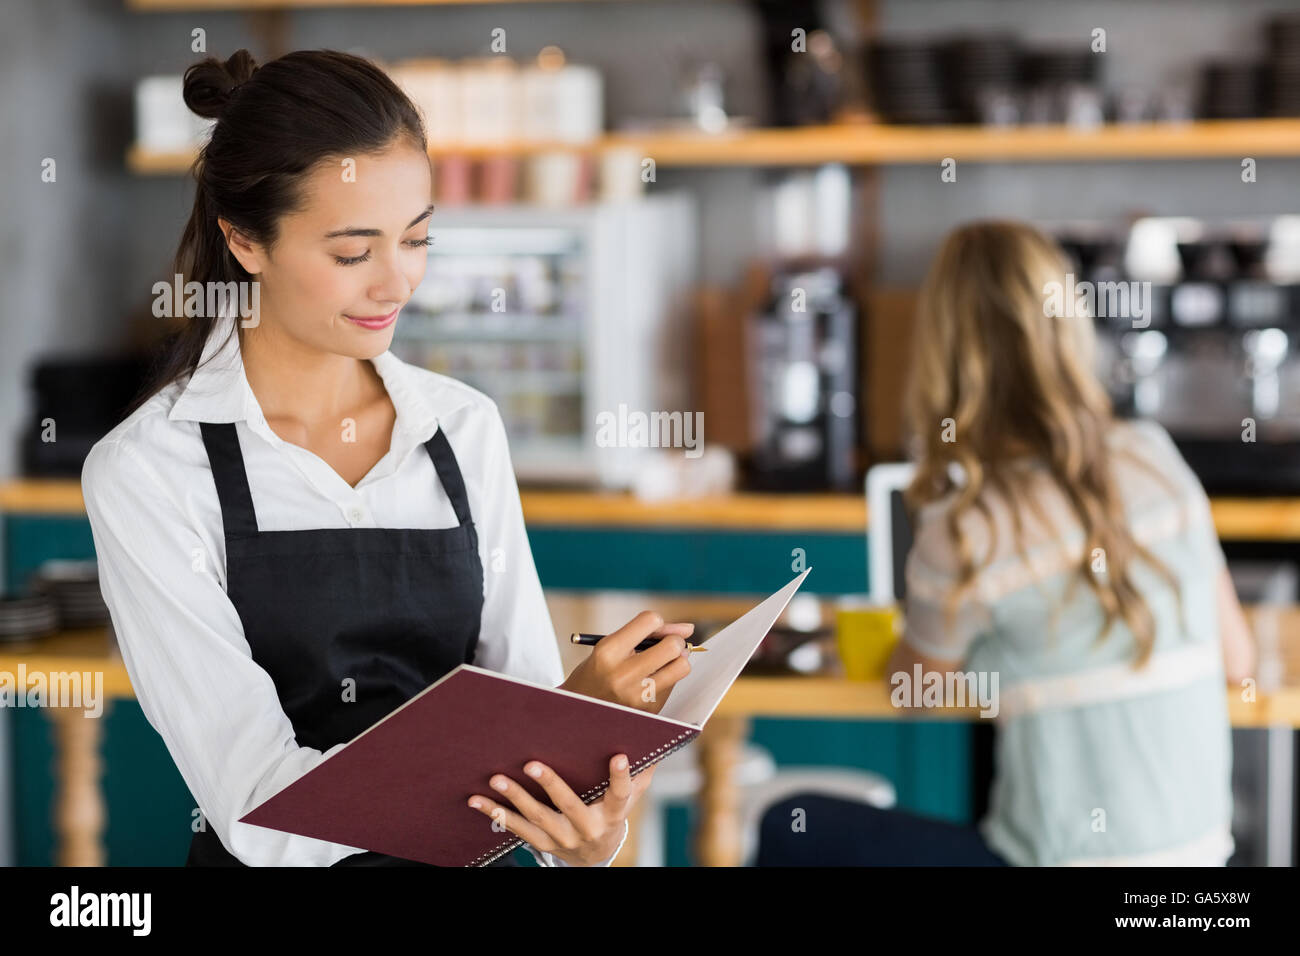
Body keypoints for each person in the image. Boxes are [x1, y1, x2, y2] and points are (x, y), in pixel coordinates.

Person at [82, 49, 694, 867]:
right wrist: (540, 740)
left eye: (417, 239)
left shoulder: (464, 428)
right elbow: (262, 809)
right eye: (351, 253)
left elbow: (530, 719)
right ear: (243, 241)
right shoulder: (150, 471)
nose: (397, 283)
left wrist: (587, 836)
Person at [758, 220, 1255, 866]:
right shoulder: (1154, 457)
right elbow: (1238, 661)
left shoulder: (969, 523)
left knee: (785, 827)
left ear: (943, 351)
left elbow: (913, 692)